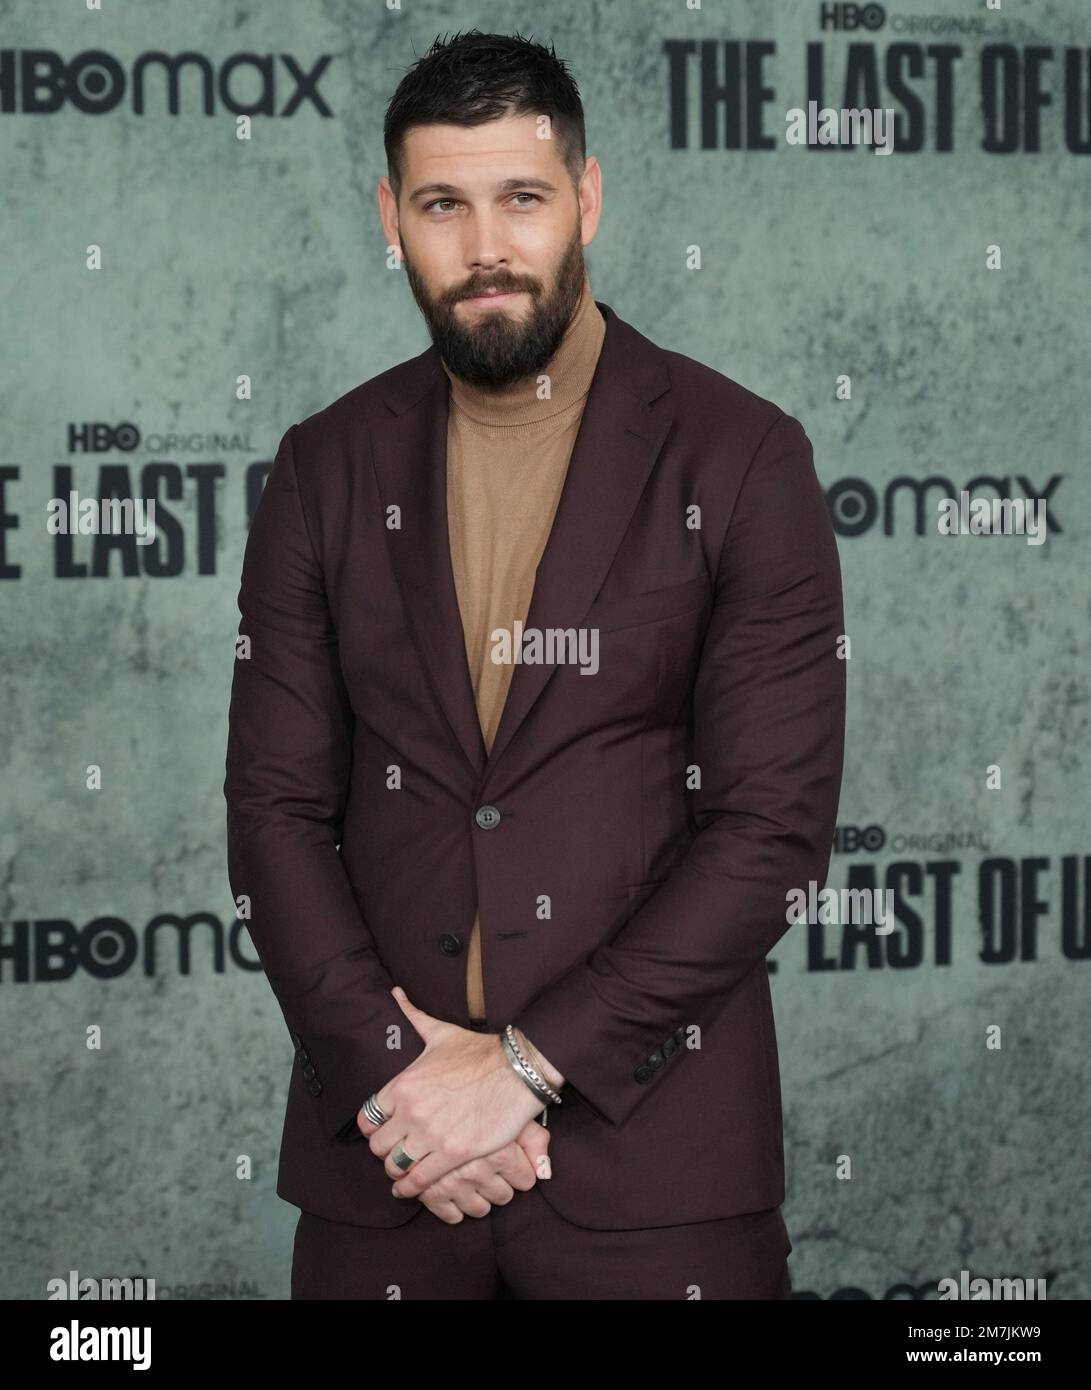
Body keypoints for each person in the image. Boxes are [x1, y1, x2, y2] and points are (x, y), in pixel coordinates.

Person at [224, 29, 846, 1300]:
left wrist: (516, 1072)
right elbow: (273, 811)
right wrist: (398, 1081)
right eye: (442, 205)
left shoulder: (739, 455)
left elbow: (769, 829)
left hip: (656, 1178)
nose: (485, 247)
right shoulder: (323, 466)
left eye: (521, 197)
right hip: (390, 1170)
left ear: (586, 198)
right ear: (390, 217)